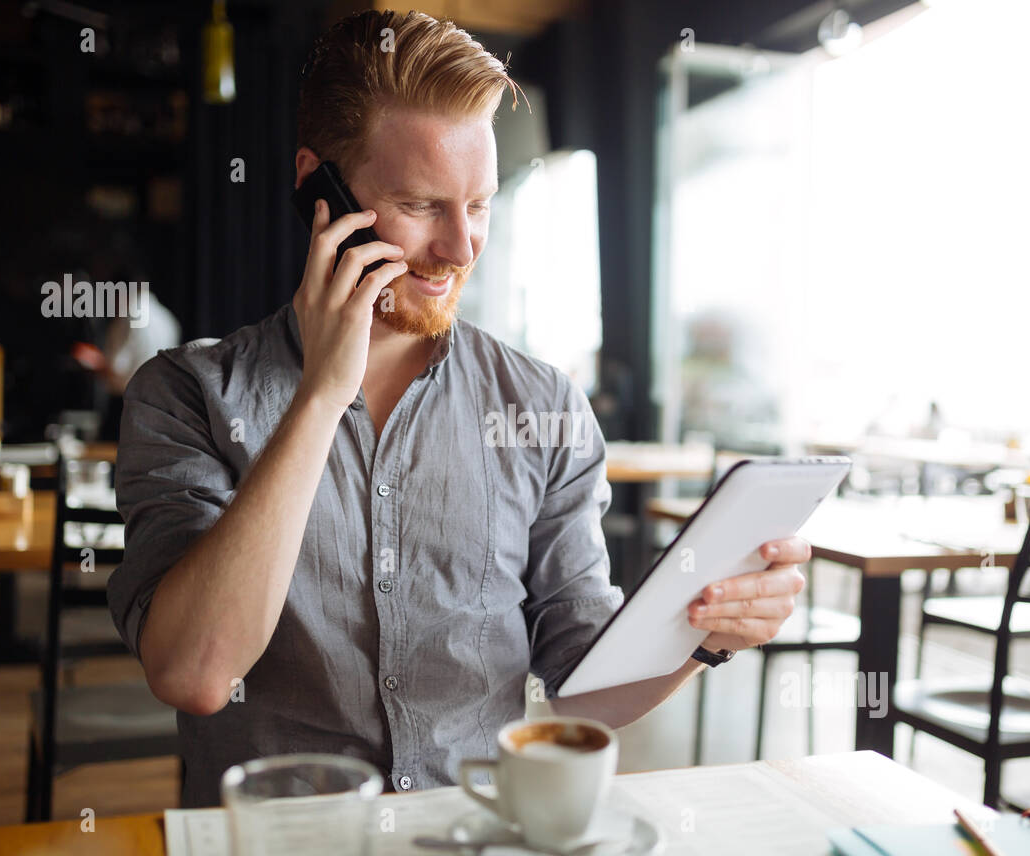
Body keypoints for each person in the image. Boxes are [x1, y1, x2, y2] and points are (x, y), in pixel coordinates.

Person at [106, 10, 810, 807]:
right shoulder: (186, 394)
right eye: (421, 205)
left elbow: (582, 692)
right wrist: (321, 399)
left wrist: (702, 636)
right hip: (280, 847)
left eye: (479, 204)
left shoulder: (542, 407)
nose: (462, 247)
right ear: (319, 189)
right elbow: (194, 674)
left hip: (479, 842)